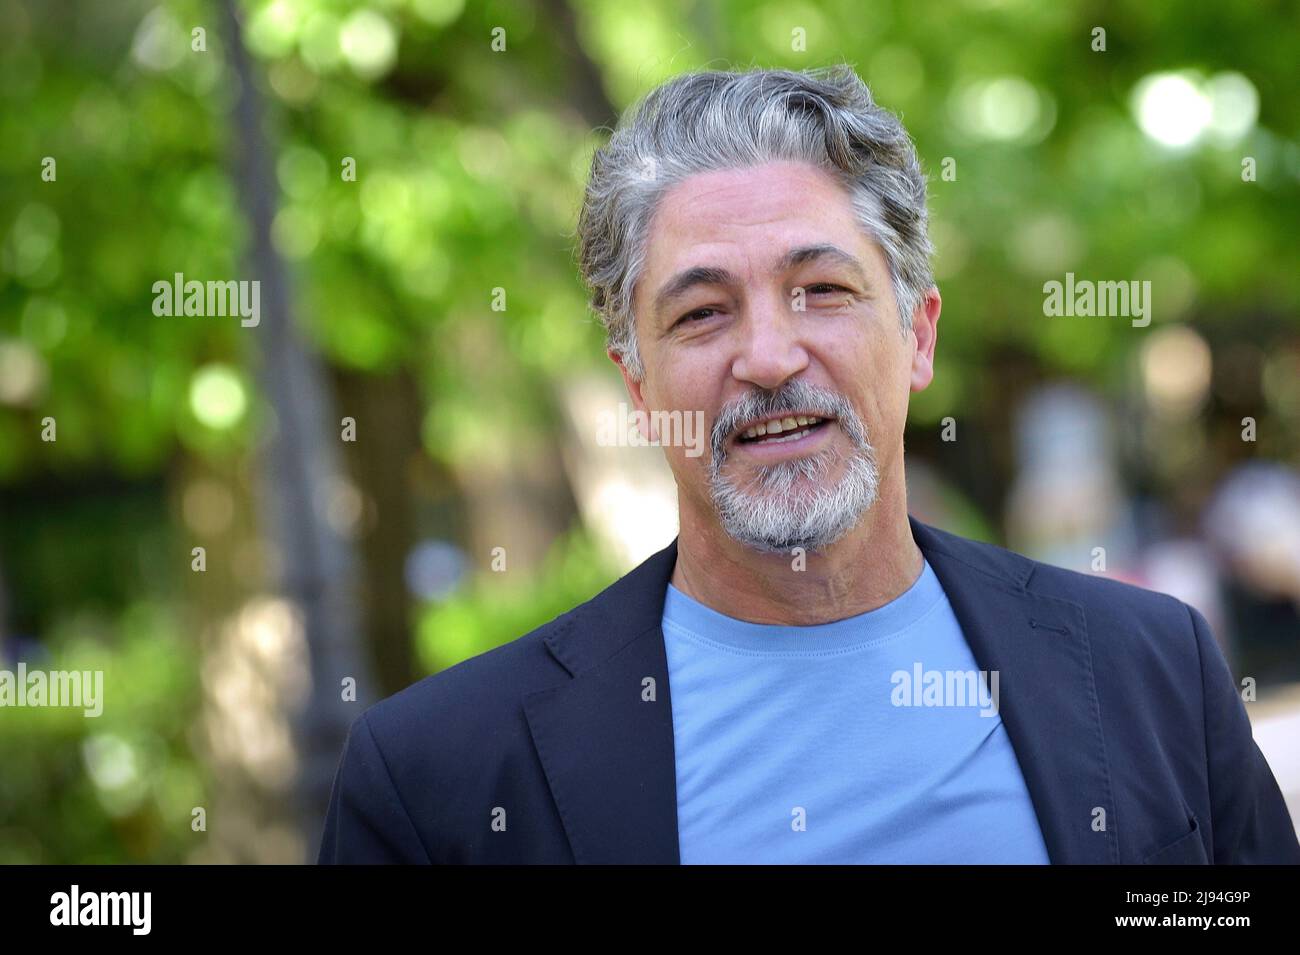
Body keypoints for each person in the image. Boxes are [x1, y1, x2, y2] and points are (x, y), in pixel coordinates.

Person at [318, 65, 1298, 864]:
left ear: (917, 338)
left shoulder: (1153, 667)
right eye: (702, 312)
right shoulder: (440, 776)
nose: (770, 356)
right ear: (636, 383)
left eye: (820, 289)